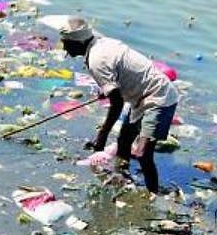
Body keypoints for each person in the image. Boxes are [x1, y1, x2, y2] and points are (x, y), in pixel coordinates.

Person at [58, 16, 179, 194]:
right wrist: (108, 89)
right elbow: (118, 74)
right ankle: (121, 175)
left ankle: (152, 193)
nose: (64, 48)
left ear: (78, 42)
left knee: (143, 153)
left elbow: (117, 103)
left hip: (158, 97)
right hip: (141, 96)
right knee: (124, 140)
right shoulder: (100, 42)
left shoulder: (96, 60)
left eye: (66, 43)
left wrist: (102, 134)